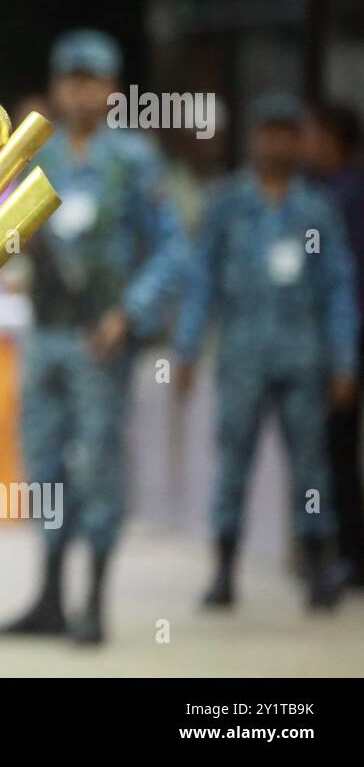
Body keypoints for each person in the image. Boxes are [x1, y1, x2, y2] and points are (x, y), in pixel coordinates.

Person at [0, 29, 189, 645]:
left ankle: (94, 600)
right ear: (55, 87)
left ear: (113, 90)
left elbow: (174, 249)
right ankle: (49, 595)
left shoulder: (134, 161)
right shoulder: (37, 157)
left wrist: (129, 312)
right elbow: (8, 232)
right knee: (43, 463)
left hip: (101, 337)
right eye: (69, 79)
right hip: (44, 333)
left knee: (99, 465)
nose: (79, 90)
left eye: (92, 79)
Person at [175, 95, 359, 609]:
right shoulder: (227, 205)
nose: (276, 143)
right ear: (254, 138)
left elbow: (337, 286)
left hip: (303, 357)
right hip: (242, 356)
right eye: (268, 132)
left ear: (298, 141)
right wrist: (187, 350)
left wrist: (344, 361)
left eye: (287, 132)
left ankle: (318, 566)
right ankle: (224, 570)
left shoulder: (315, 209)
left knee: (311, 469)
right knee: (232, 461)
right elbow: (202, 281)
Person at [305, 103, 364, 587]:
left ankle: (348, 554)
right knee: (330, 452)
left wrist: (344, 356)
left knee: (340, 455)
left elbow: (345, 282)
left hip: (346, 342)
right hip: (326, 346)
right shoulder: (320, 195)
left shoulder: (346, 198)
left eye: (315, 136)